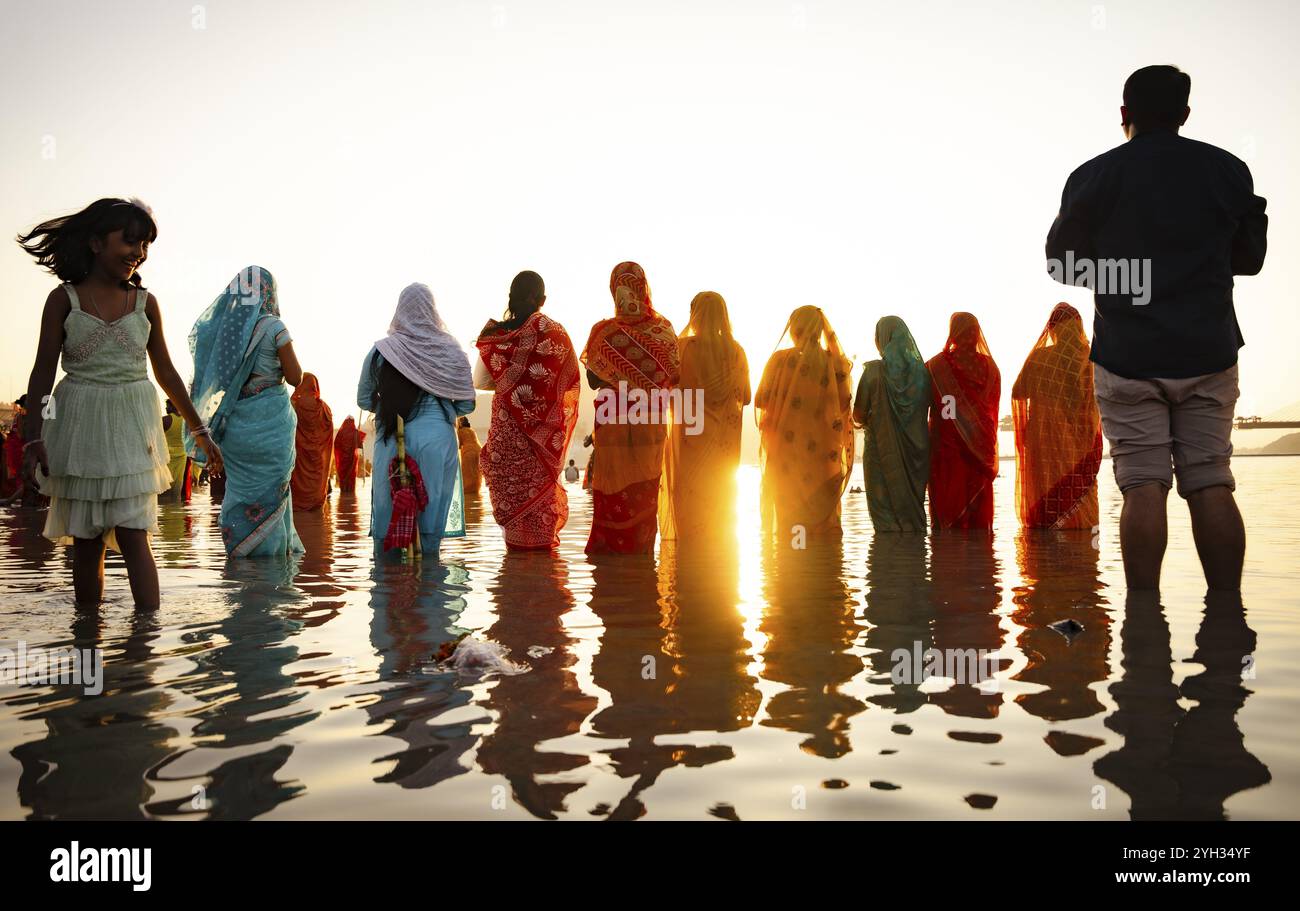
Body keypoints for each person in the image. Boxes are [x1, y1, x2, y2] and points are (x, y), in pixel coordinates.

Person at [1046, 65, 1267, 592]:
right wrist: (1195, 266)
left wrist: (1124, 275)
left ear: (1124, 115)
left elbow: (1061, 264)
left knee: (1143, 484)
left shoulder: (1093, 177)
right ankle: (1227, 617)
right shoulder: (1228, 170)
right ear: (1185, 115)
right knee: (1211, 479)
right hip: (1208, 351)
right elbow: (1252, 259)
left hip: (1128, 354)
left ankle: (1144, 618)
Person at [16, 197, 222, 607]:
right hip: (79, 424)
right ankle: (87, 634)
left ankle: (145, 644)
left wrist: (200, 430)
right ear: (95, 243)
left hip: (132, 426)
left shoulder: (145, 304)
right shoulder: (64, 300)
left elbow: (166, 373)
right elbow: (42, 372)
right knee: (87, 540)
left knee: (133, 533)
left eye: (145, 245)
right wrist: (31, 437)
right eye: (129, 242)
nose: (138, 253)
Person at [189, 265, 303, 557]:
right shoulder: (274, 326)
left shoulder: (225, 333)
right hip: (271, 425)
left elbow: (211, 382)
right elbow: (294, 377)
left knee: (239, 493)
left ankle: (240, 553)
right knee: (272, 496)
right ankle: (272, 567)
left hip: (237, 427)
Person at [358, 282, 476, 555]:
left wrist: (391, 406)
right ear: (433, 311)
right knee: (429, 539)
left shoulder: (382, 351)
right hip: (437, 440)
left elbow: (364, 399)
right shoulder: (451, 350)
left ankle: (386, 591)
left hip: (391, 435)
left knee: (387, 534)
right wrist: (440, 408)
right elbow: (467, 403)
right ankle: (430, 592)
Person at [474, 270, 580, 549]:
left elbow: (480, 380)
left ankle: (515, 578)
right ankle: (543, 583)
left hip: (506, 434)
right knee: (542, 532)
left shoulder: (495, 336)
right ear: (543, 299)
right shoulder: (555, 334)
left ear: (511, 296)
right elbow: (569, 382)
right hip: (541, 441)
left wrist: (511, 381)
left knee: (514, 531)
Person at [580, 262, 680, 554]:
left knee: (612, 489)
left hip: (612, 421)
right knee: (646, 490)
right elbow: (673, 376)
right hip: (651, 422)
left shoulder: (603, 332)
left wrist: (618, 369)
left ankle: (611, 558)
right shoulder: (663, 330)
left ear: (614, 291)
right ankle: (641, 557)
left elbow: (592, 379)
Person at [755, 305, 854, 538]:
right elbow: (844, 405)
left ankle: (792, 564)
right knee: (823, 524)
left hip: (786, 457)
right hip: (823, 458)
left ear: (794, 329)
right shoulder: (835, 364)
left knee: (789, 526)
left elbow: (760, 400)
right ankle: (825, 567)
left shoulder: (779, 361)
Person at [659, 291, 751, 540]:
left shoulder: (682, 348)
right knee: (720, 506)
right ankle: (716, 566)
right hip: (723, 448)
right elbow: (747, 398)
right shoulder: (737, 352)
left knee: (690, 504)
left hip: (691, 445)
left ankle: (689, 567)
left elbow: (664, 391)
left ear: (695, 315)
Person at [1011, 303, 1102, 531]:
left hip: (1045, 450)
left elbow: (1018, 393)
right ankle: (1083, 555)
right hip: (1082, 449)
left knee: (1046, 512)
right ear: (1079, 328)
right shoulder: (1094, 360)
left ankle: (1044, 560)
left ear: (1052, 329)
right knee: (1082, 512)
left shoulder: (1039, 359)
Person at [853, 316, 931, 532]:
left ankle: (888, 560)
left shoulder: (873, 372)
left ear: (882, 339)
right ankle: (914, 558)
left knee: (884, 517)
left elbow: (858, 415)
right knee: (913, 516)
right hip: (917, 456)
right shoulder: (923, 375)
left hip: (881, 454)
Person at [925, 312, 1000, 530]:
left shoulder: (936, 366)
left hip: (947, 453)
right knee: (980, 526)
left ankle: (949, 558)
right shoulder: (991, 368)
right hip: (981, 452)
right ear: (976, 333)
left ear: (953, 332)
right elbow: (991, 409)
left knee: (949, 519)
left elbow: (927, 404)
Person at [290, 372, 334, 511]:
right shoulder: (325, 408)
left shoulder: (294, 404)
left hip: (300, 460)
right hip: (319, 464)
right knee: (317, 511)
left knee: (298, 512)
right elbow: (329, 438)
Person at [161, 399, 194, 503]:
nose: (166, 408)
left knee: (163, 484)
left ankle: (164, 510)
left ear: (175, 406)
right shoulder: (187, 421)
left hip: (166, 455)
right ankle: (175, 508)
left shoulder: (165, 420)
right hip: (182, 455)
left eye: (168, 406)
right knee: (177, 485)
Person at [334, 415, 364, 494]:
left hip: (342, 458)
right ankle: (350, 492)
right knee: (351, 475)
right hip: (352, 459)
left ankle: (343, 492)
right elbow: (360, 445)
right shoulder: (355, 432)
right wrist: (360, 436)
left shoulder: (341, 432)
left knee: (343, 475)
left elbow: (336, 444)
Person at [457, 417, 482, 495]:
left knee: (468, 474)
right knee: (476, 472)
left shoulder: (460, 432)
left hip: (468, 452)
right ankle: (475, 491)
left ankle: (468, 492)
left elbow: (458, 445)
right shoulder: (471, 430)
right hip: (478, 450)